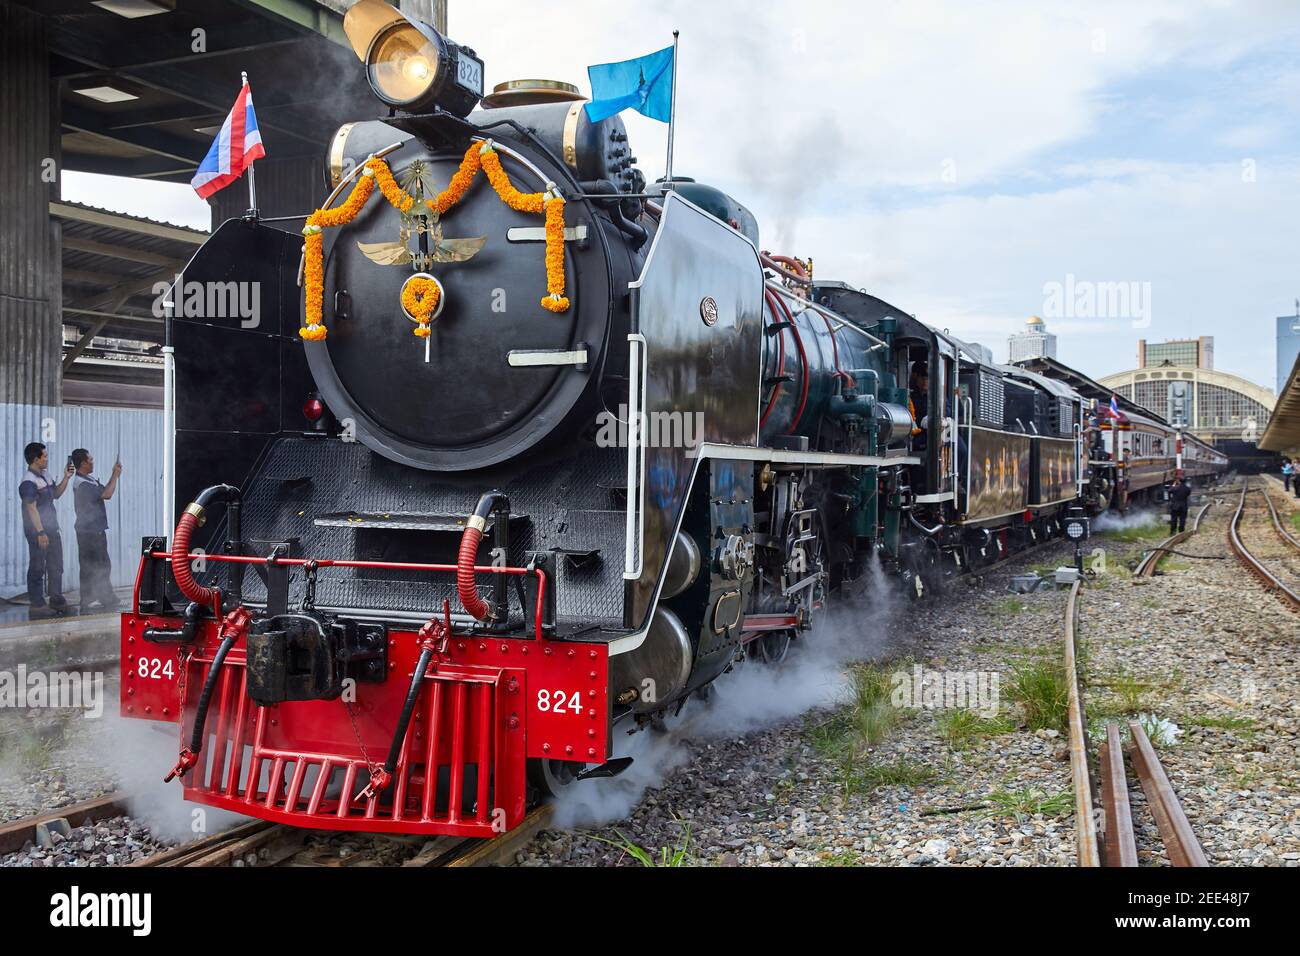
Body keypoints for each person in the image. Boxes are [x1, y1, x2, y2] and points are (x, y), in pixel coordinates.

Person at [19, 442, 73, 618]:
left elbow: (56, 494)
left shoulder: (45, 476)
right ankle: (37, 604)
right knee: (37, 566)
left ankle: (56, 598)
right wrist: (41, 532)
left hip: (51, 527)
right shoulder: (28, 481)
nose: (47, 458)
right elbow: (31, 508)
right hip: (37, 530)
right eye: (45, 456)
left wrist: (66, 477)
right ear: (36, 459)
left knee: (56, 565)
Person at [71, 448, 122, 614]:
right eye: (90, 459)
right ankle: (88, 599)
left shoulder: (89, 479)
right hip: (89, 532)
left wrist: (114, 475)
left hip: (96, 530)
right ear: (84, 463)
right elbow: (107, 494)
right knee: (90, 566)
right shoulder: (82, 483)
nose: (93, 461)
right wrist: (115, 475)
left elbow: (105, 491)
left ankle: (105, 596)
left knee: (102, 565)